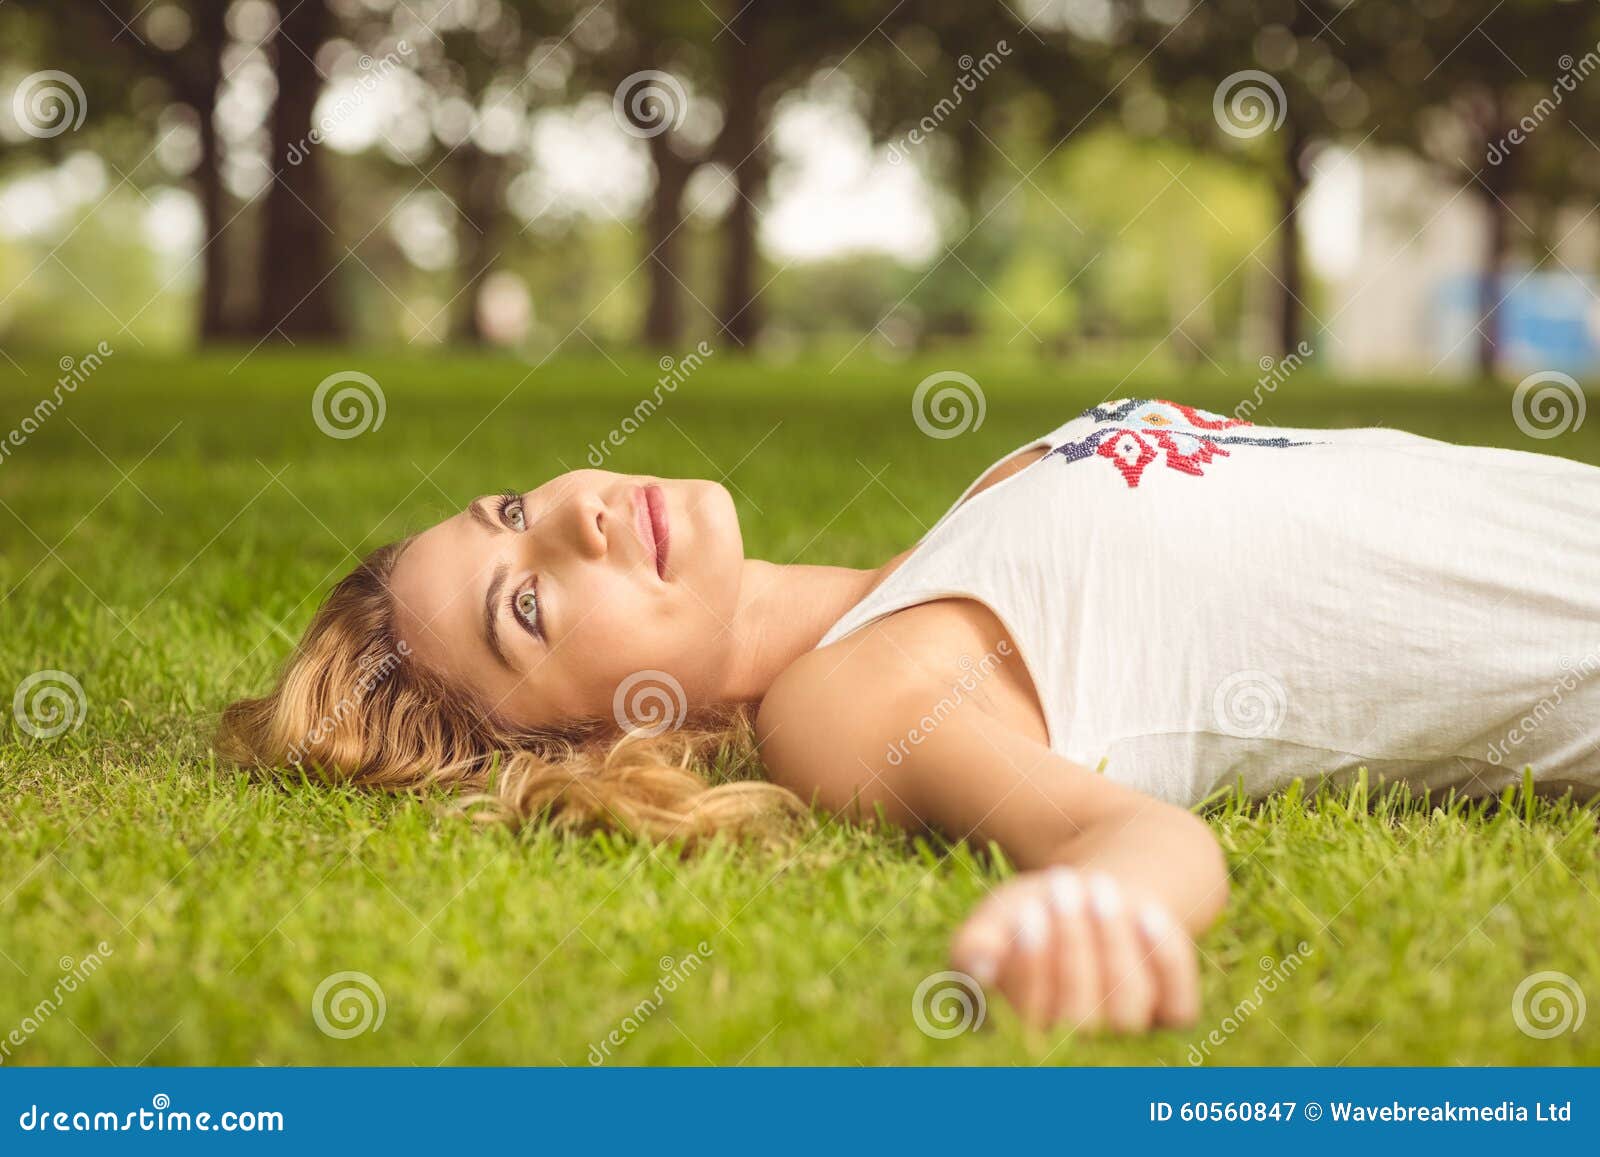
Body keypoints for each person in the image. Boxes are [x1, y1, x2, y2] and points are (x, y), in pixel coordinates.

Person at [218, 397, 1600, 1034]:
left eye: (513, 508)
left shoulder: (942, 547)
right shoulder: (848, 699)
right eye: (528, 605)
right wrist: (1101, 912)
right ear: (590, 740)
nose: (576, 515)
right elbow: (1135, 838)